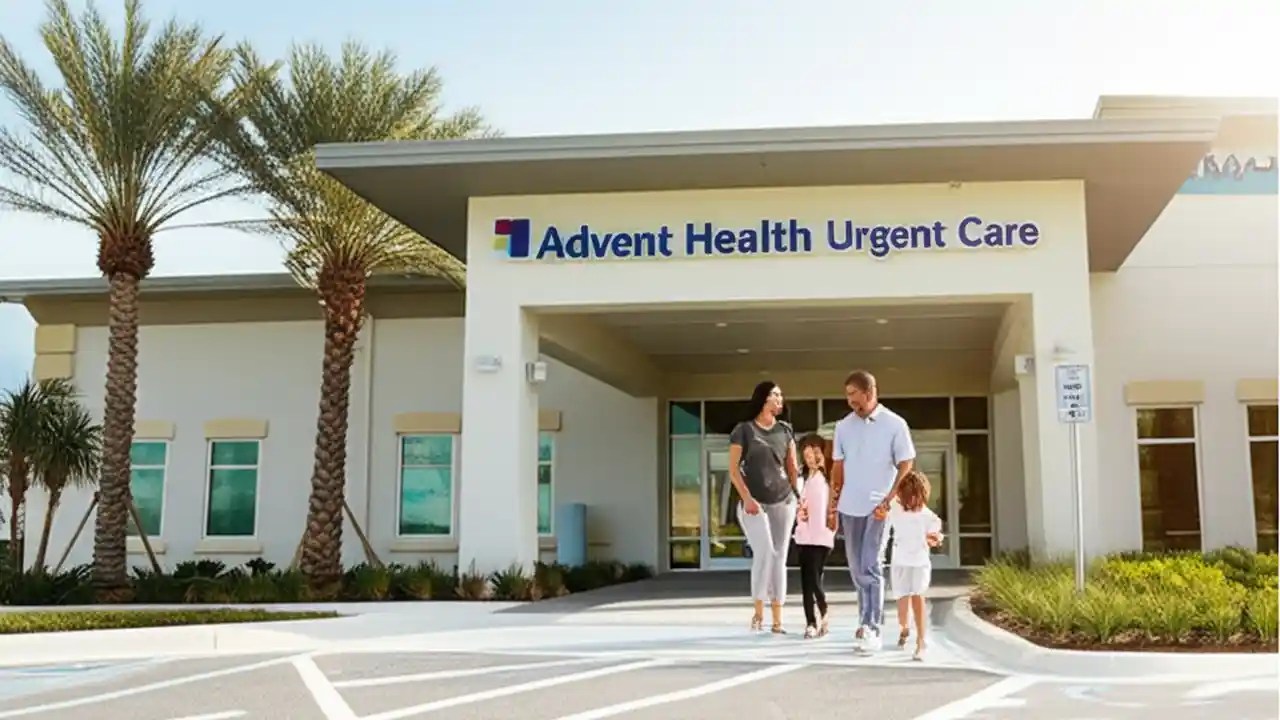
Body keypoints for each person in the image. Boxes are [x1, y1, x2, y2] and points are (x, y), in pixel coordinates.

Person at [826, 370, 916, 653]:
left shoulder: (895, 424)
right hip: (849, 506)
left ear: (869, 391)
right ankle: (866, 620)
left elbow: (906, 463)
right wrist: (832, 506)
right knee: (856, 568)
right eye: (847, 396)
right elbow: (837, 469)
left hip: (879, 506)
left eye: (853, 395)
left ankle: (871, 627)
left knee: (871, 563)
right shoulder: (843, 426)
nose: (850, 401)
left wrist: (890, 497)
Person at [728, 380, 800, 634]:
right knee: (765, 553)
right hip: (754, 504)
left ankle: (778, 619)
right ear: (763, 398)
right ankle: (758, 613)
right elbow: (733, 470)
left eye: (781, 395)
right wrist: (747, 498)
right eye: (775, 395)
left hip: (784, 500)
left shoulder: (786, 431)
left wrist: (799, 498)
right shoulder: (744, 431)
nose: (780, 399)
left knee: (780, 557)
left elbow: (792, 468)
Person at [886, 470, 944, 660]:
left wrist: (935, 539)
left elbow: (936, 535)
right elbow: (887, 499)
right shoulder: (895, 507)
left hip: (919, 563)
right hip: (900, 561)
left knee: (918, 596)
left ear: (922, 495)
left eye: (914, 496)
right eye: (906, 495)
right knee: (902, 605)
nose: (910, 501)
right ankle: (904, 629)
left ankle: (921, 641)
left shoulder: (929, 517)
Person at [794, 433, 836, 639]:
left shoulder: (826, 478)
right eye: (807, 454)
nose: (810, 457)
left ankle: (824, 611)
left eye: (815, 452)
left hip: (820, 537)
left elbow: (826, 509)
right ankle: (811, 622)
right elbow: (802, 507)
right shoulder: (804, 478)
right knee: (806, 581)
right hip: (804, 536)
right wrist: (800, 513)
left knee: (814, 579)